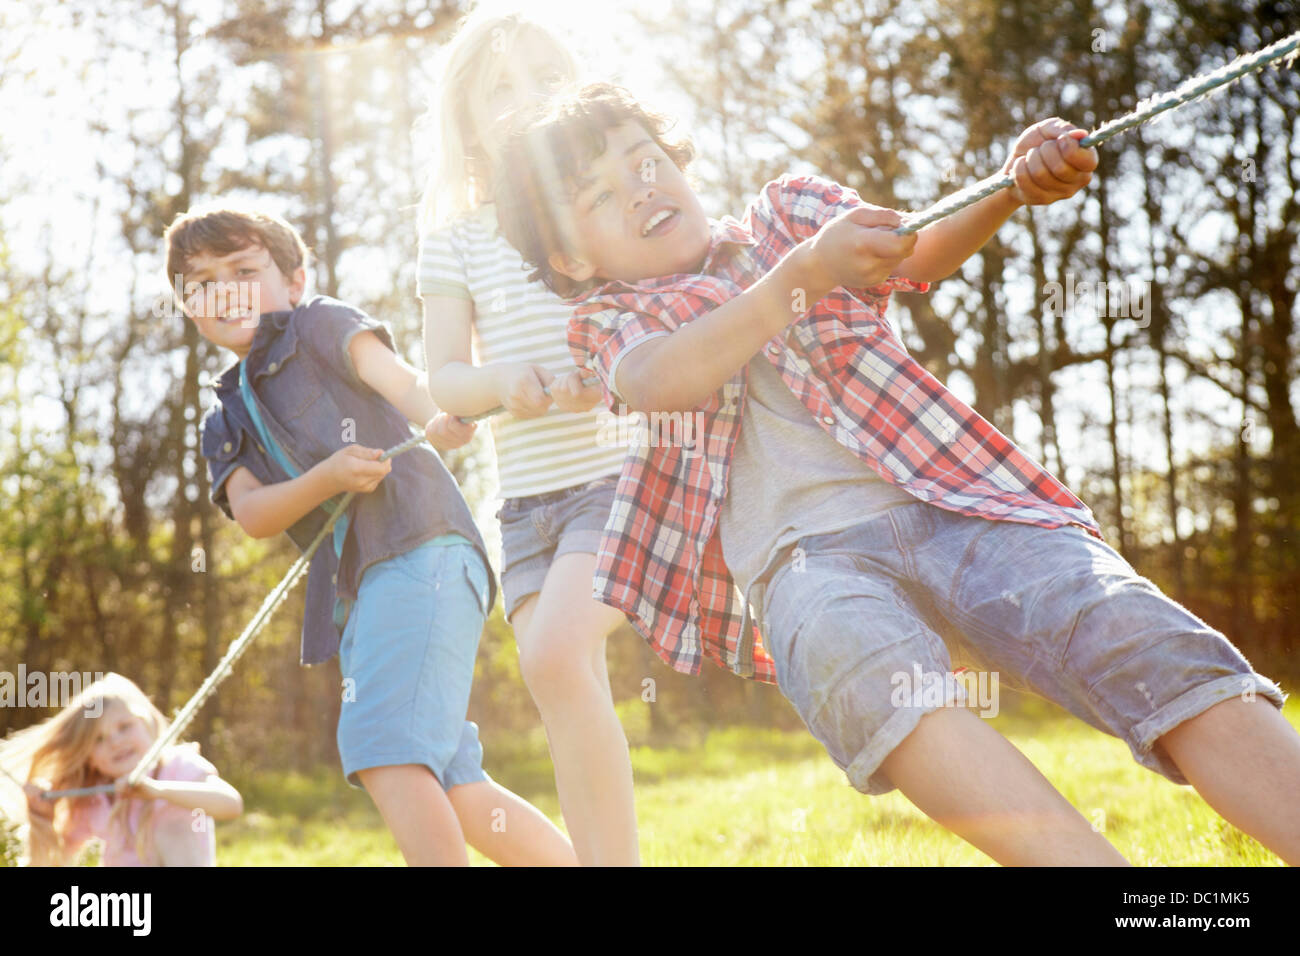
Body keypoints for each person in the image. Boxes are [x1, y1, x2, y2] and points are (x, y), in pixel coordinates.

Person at [492, 81, 1300, 866]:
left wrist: (1009, 189)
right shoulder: (610, 320)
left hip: (959, 501)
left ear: (676, 159)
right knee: (860, 670)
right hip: (807, 561)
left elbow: (918, 249)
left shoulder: (790, 214)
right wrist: (802, 276)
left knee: (1127, 625)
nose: (639, 191)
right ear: (569, 258)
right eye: (597, 196)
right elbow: (662, 378)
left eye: (643, 161)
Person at [165, 205, 576, 866]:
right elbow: (254, 514)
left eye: (244, 270)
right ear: (189, 307)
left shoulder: (320, 324)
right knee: (450, 777)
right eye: (203, 283)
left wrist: (443, 415)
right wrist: (327, 477)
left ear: (294, 281)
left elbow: (405, 383)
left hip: (421, 549)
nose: (227, 291)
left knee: (384, 746)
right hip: (364, 589)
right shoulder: (224, 419)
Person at [416, 10, 639, 865]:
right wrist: (501, 382)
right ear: (463, 118)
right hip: (525, 506)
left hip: (623, 475)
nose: (524, 100)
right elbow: (445, 375)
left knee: (554, 657)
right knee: (566, 684)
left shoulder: (596, 206)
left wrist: (616, 365)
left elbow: (658, 309)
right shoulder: (453, 238)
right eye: (499, 87)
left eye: (545, 79)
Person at [0, 673, 241, 866]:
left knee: (173, 828)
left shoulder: (178, 767)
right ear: (88, 758)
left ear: (147, 723)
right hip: (128, 908)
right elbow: (55, 860)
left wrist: (158, 791)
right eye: (99, 740)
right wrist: (44, 819)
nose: (115, 741)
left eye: (124, 727)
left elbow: (231, 804)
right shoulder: (96, 797)